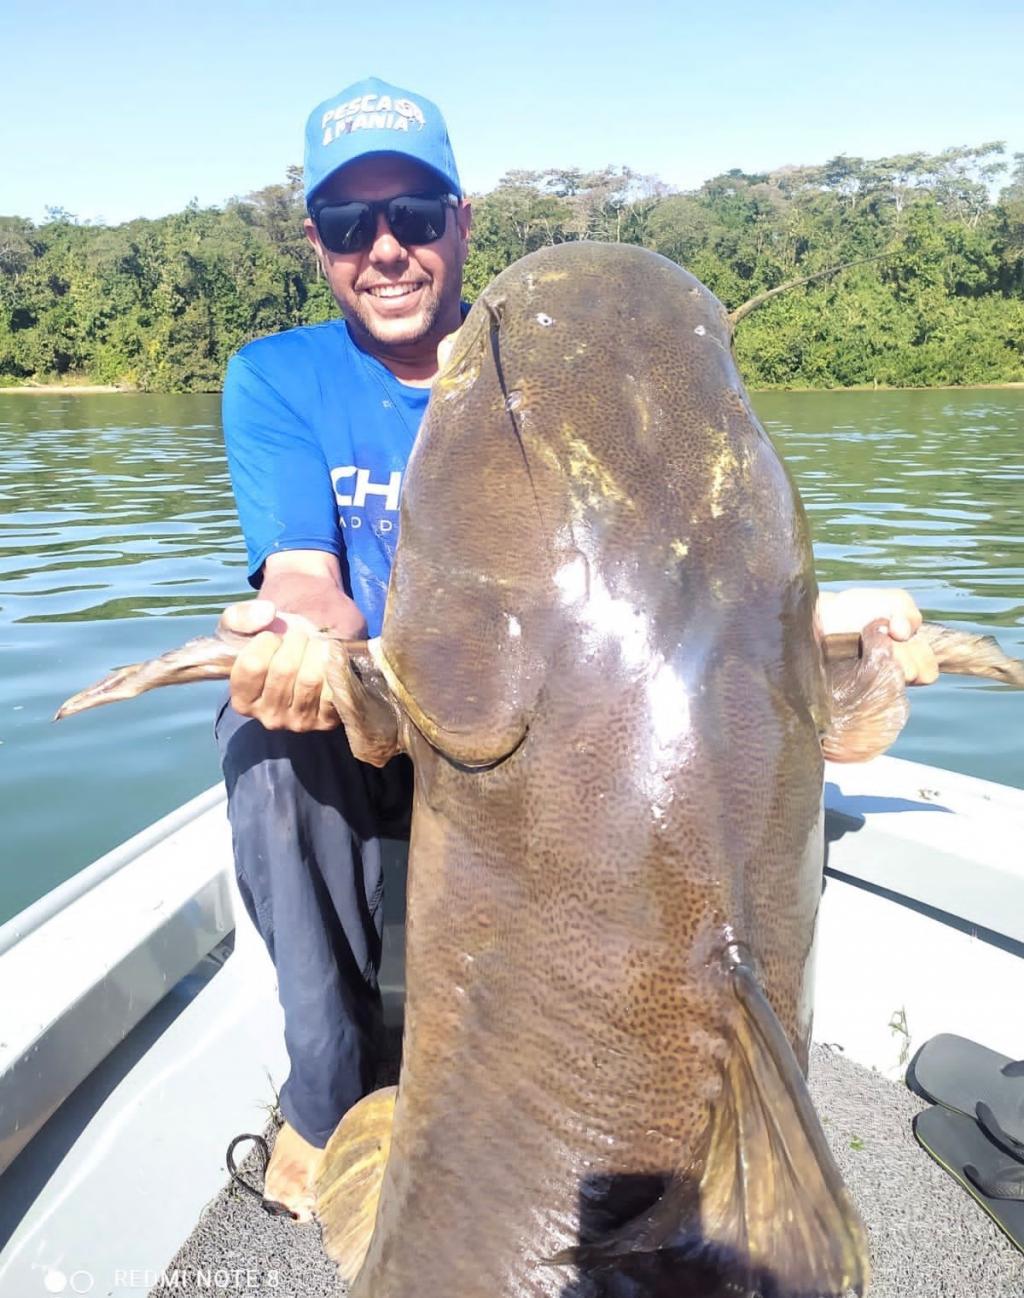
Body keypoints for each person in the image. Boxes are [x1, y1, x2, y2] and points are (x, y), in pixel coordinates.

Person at [213, 76, 939, 1221]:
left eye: (413, 213)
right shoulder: (276, 377)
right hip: (411, 702)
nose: (385, 247)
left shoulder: (567, 359)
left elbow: (671, 578)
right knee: (262, 745)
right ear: (316, 243)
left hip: (570, 717)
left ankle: (686, 1084)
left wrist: (802, 624)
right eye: (352, 225)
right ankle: (329, 1100)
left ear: (461, 219)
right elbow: (308, 576)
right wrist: (299, 640)